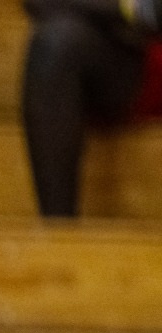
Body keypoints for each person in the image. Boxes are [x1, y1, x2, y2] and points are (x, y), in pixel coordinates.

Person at [22, 0, 162, 216]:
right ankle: (58, 238)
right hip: (116, 54)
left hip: (147, 56)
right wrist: (132, 9)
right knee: (55, 44)